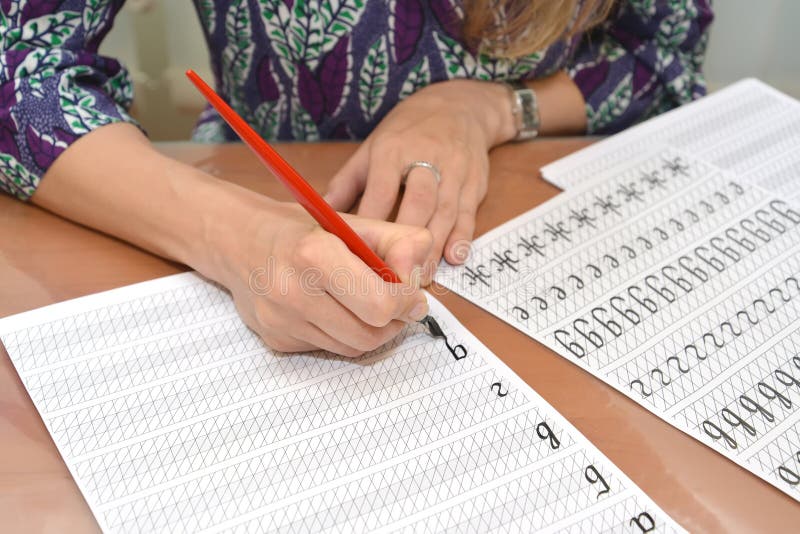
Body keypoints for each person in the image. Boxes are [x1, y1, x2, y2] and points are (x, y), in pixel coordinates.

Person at [0, 0, 713, 356]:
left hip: (545, 213)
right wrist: (241, 235)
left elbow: (669, 57)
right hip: (250, 188)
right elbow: (15, 67)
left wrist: (494, 107)